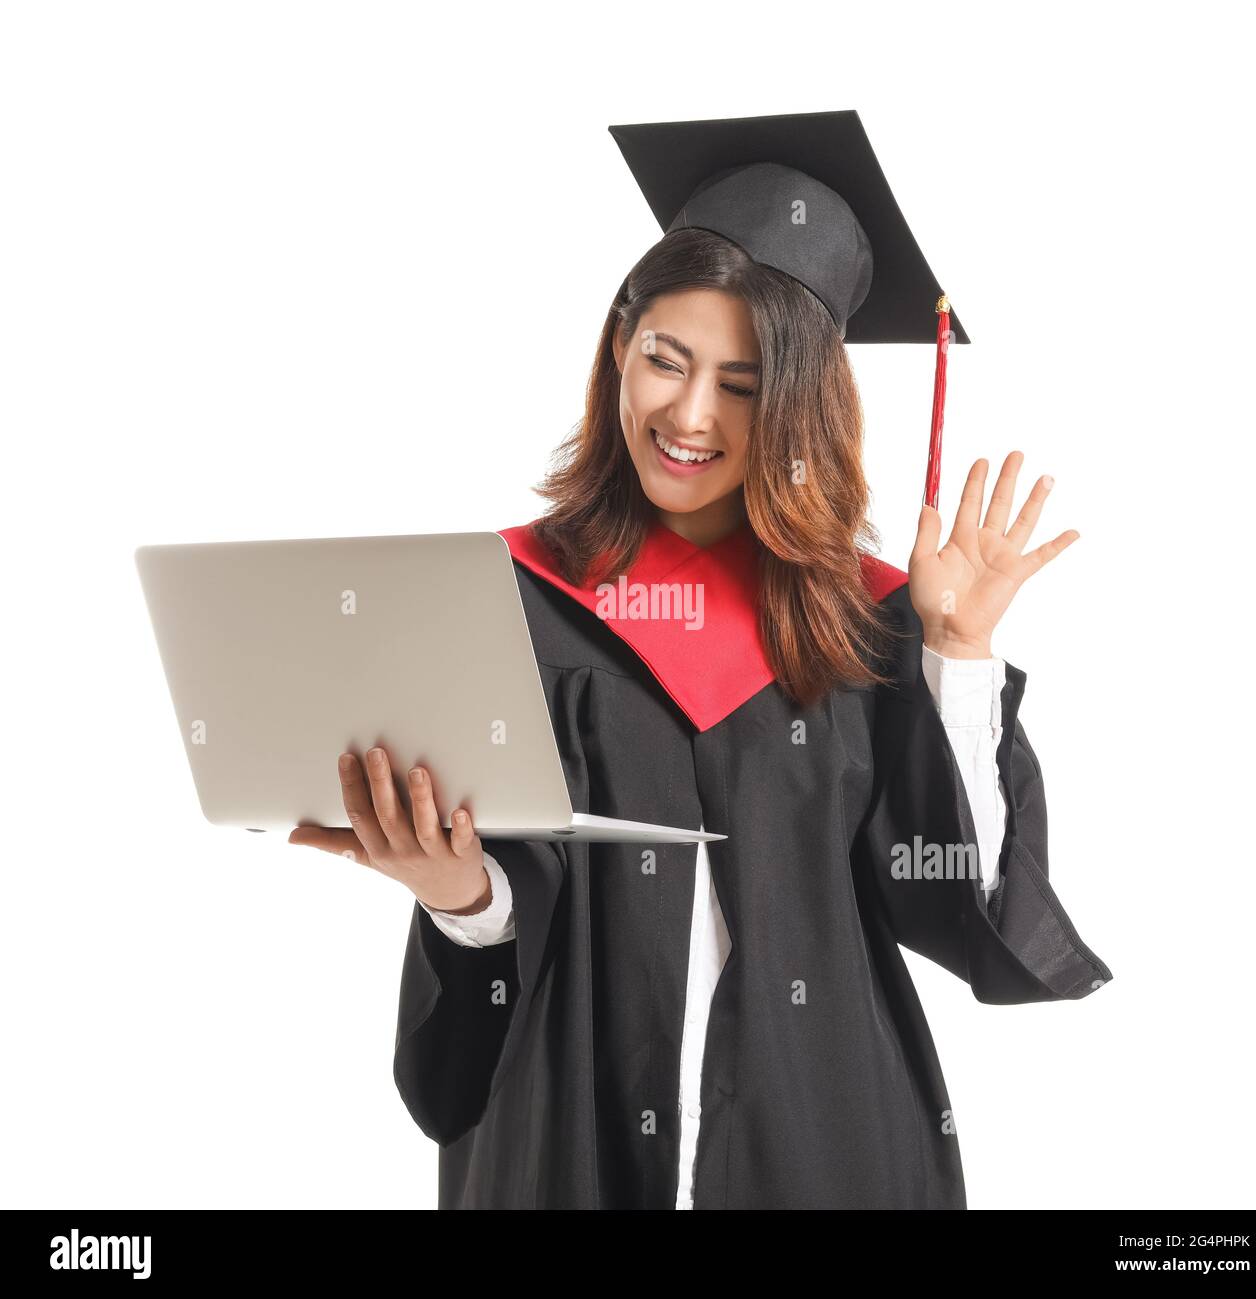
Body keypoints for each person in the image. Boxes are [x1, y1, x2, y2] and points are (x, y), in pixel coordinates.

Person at [289, 111, 1111, 1209]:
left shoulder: (867, 625)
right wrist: (459, 899)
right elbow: (502, 918)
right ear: (618, 351)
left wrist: (956, 652)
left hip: (825, 1145)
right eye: (663, 361)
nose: (686, 414)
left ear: (799, 400)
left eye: (740, 382)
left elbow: (964, 909)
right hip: (563, 1146)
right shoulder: (514, 600)